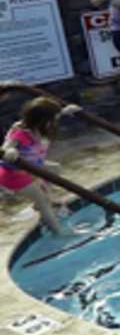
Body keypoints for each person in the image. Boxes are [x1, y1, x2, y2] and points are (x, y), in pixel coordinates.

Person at [1, 97, 82, 234]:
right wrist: (10, 150)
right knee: (44, 201)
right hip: (12, 174)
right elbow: (8, 145)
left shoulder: (40, 126)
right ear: (42, 121)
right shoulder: (21, 132)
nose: (56, 122)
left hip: (32, 166)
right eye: (54, 119)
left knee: (55, 168)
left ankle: (39, 204)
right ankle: (58, 232)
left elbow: (52, 115)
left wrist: (65, 111)